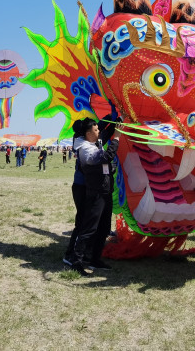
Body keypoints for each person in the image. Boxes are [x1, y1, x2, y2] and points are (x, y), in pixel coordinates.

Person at [63, 117, 118, 274]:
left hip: (101, 188)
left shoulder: (91, 141)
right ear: (86, 132)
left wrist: (114, 119)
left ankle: (93, 258)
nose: (99, 131)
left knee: (102, 226)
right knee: (85, 224)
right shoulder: (84, 146)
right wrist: (114, 131)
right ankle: (73, 257)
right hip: (85, 187)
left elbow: (102, 132)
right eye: (95, 129)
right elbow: (104, 154)